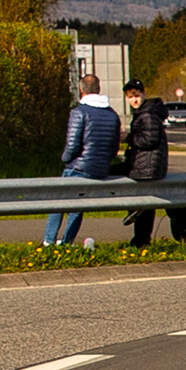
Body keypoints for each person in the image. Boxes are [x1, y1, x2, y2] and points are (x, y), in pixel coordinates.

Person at [43, 75, 120, 245]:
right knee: (78, 208)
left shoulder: (79, 112)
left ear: (81, 90)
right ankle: (67, 241)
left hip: (78, 167)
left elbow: (72, 144)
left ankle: (49, 241)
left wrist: (65, 159)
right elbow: (114, 148)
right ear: (99, 89)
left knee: (58, 203)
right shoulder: (112, 114)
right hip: (101, 169)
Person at [118, 82, 170, 247]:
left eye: (136, 96)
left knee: (144, 205)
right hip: (146, 164)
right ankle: (141, 239)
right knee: (145, 205)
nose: (134, 100)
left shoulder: (147, 114)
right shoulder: (145, 112)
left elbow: (149, 140)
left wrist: (127, 138)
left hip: (146, 166)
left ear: (144, 94)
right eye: (130, 97)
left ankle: (140, 237)